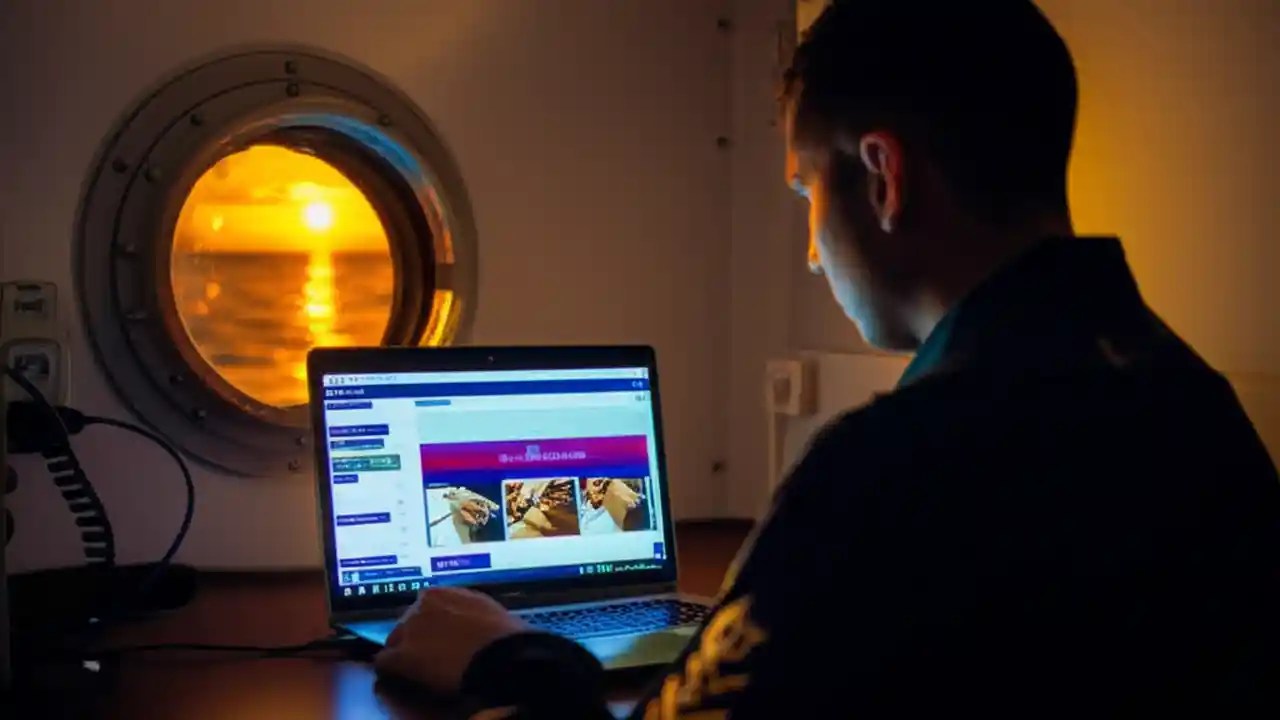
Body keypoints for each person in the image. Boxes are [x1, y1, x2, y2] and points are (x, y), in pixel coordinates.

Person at [374, 1, 1280, 716]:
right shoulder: (1198, 408)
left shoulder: (893, 468)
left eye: (806, 188)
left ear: (883, 175)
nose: (812, 249)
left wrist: (506, 656)